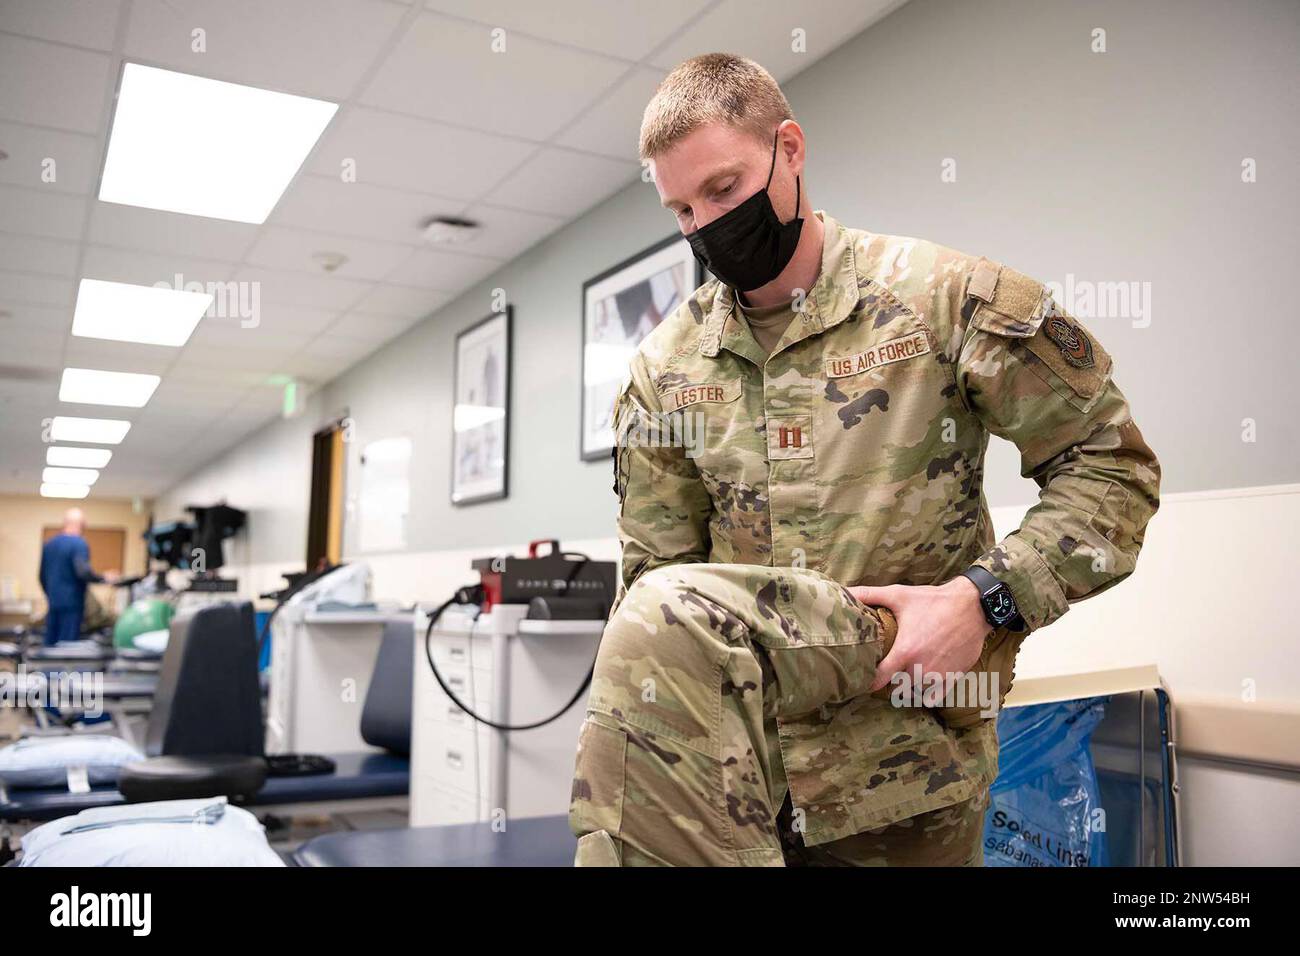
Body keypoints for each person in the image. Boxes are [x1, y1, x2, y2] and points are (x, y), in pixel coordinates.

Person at [568, 53, 1161, 866]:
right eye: (679, 209)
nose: (704, 225)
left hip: (910, 779)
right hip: (739, 797)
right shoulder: (664, 372)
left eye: (724, 190)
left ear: (791, 148)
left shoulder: (945, 302)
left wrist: (983, 600)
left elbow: (1111, 467)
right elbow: (657, 584)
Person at [38, 508, 117, 646]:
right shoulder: (79, 543)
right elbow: (83, 572)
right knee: (67, 646)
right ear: (80, 524)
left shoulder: (49, 544)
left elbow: (41, 576)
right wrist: (104, 578)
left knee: (50, 644)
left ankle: (47, 668)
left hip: (53, 603)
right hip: (72, 604)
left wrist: (52, 595)